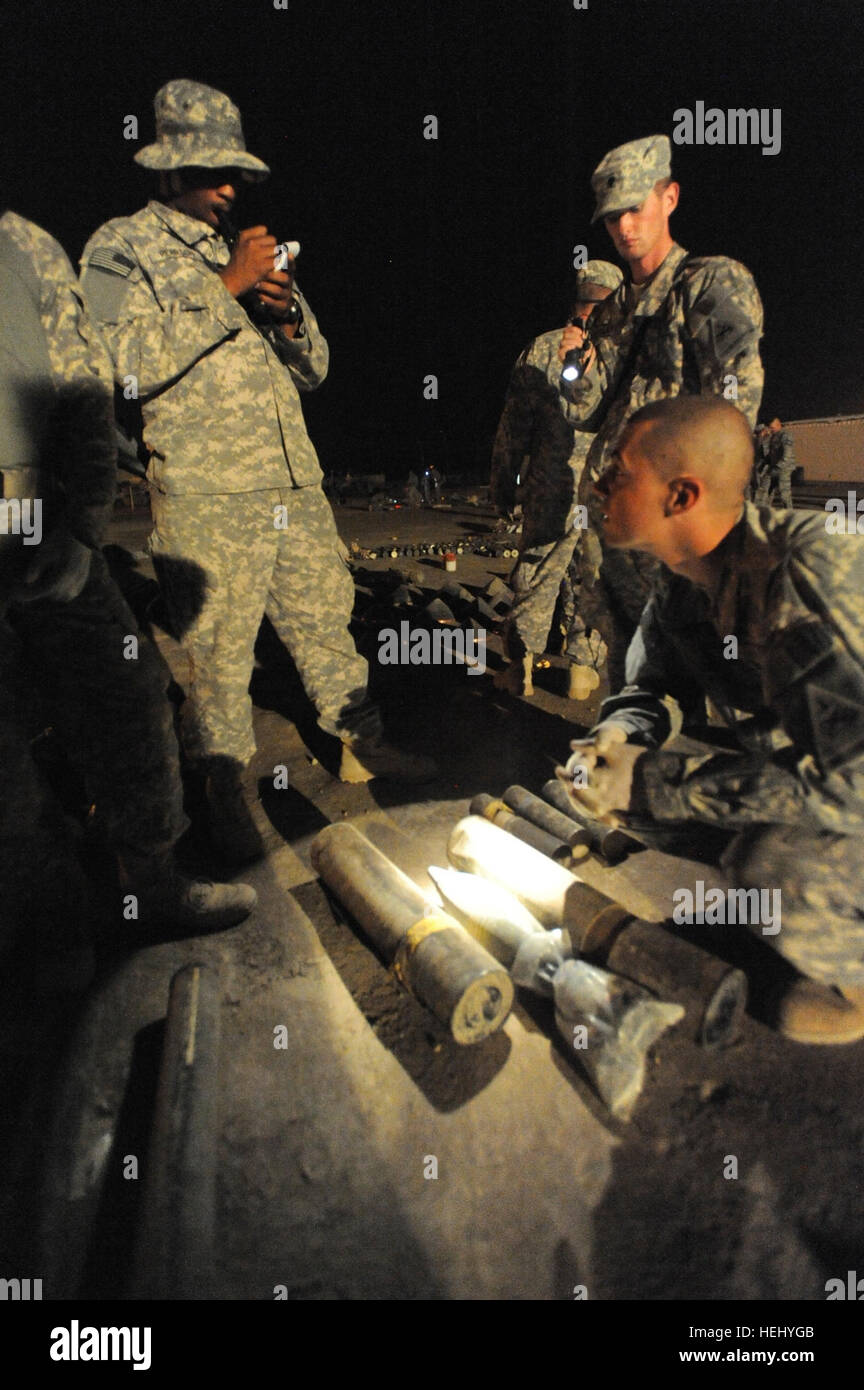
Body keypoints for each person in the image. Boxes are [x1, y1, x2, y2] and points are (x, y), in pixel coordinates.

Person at [80, 80, 435, 862]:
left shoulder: (238, 248)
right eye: (214, 172)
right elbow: (115, 364)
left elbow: (317, 370)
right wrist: (226, 291)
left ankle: (359, 743)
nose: (230, 188)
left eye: (235, 173)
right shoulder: (119, 247)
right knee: (218, 657)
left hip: (291, 482)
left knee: (324, 622)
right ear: (169, 169)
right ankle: (221, 790)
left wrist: (287, 315)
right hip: (210, 495)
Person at [0, 209, 256, 989]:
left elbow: (83, 385)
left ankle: (152, 882)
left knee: (131, 696)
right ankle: (44, 930)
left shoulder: (21, 244)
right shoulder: (114, 245)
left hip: (36, 522)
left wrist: (75, 525)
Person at [559, 395, 864, 1045]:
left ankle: (858, 984)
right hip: (824, 771)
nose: (599, 482)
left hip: (855, 784)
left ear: (681, 495)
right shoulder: (682, 582)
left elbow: (853, 786)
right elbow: (654, 687)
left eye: (620, 472)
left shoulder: (805, 574)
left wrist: (654, 784)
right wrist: (616, 741)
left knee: (772, 862)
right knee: (641, 793)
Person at [553, 134, 764, 689]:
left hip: (676, 523)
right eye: (611, 216)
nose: (624, 227)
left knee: (706, 668)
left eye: (635, 208)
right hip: (613, 524)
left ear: (669, 197)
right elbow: (587, 413)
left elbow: (734, 406)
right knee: (633, 664)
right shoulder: (610, 311)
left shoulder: (710, 285)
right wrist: (573, 370)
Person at [490, 260, 623, 699]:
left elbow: (514, 427)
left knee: (539, 571)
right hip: (606, 487)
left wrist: (504, 483)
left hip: (551, 484)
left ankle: (521, 667)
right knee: (593, 574)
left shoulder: (542, 348)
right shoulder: (621, 355)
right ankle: (582, 672)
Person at [750, 417, 796, 508]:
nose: (770, 430)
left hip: (783, 469)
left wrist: (779, 466)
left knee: (784, 494)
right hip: (773, 467)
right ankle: (764, 511)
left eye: (772, 428)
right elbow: (767, 453)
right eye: (770, 428)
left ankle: (789, 512)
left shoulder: (785, 435)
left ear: (778, 424)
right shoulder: (773, 436)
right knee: (765, 491)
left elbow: (787, 454)